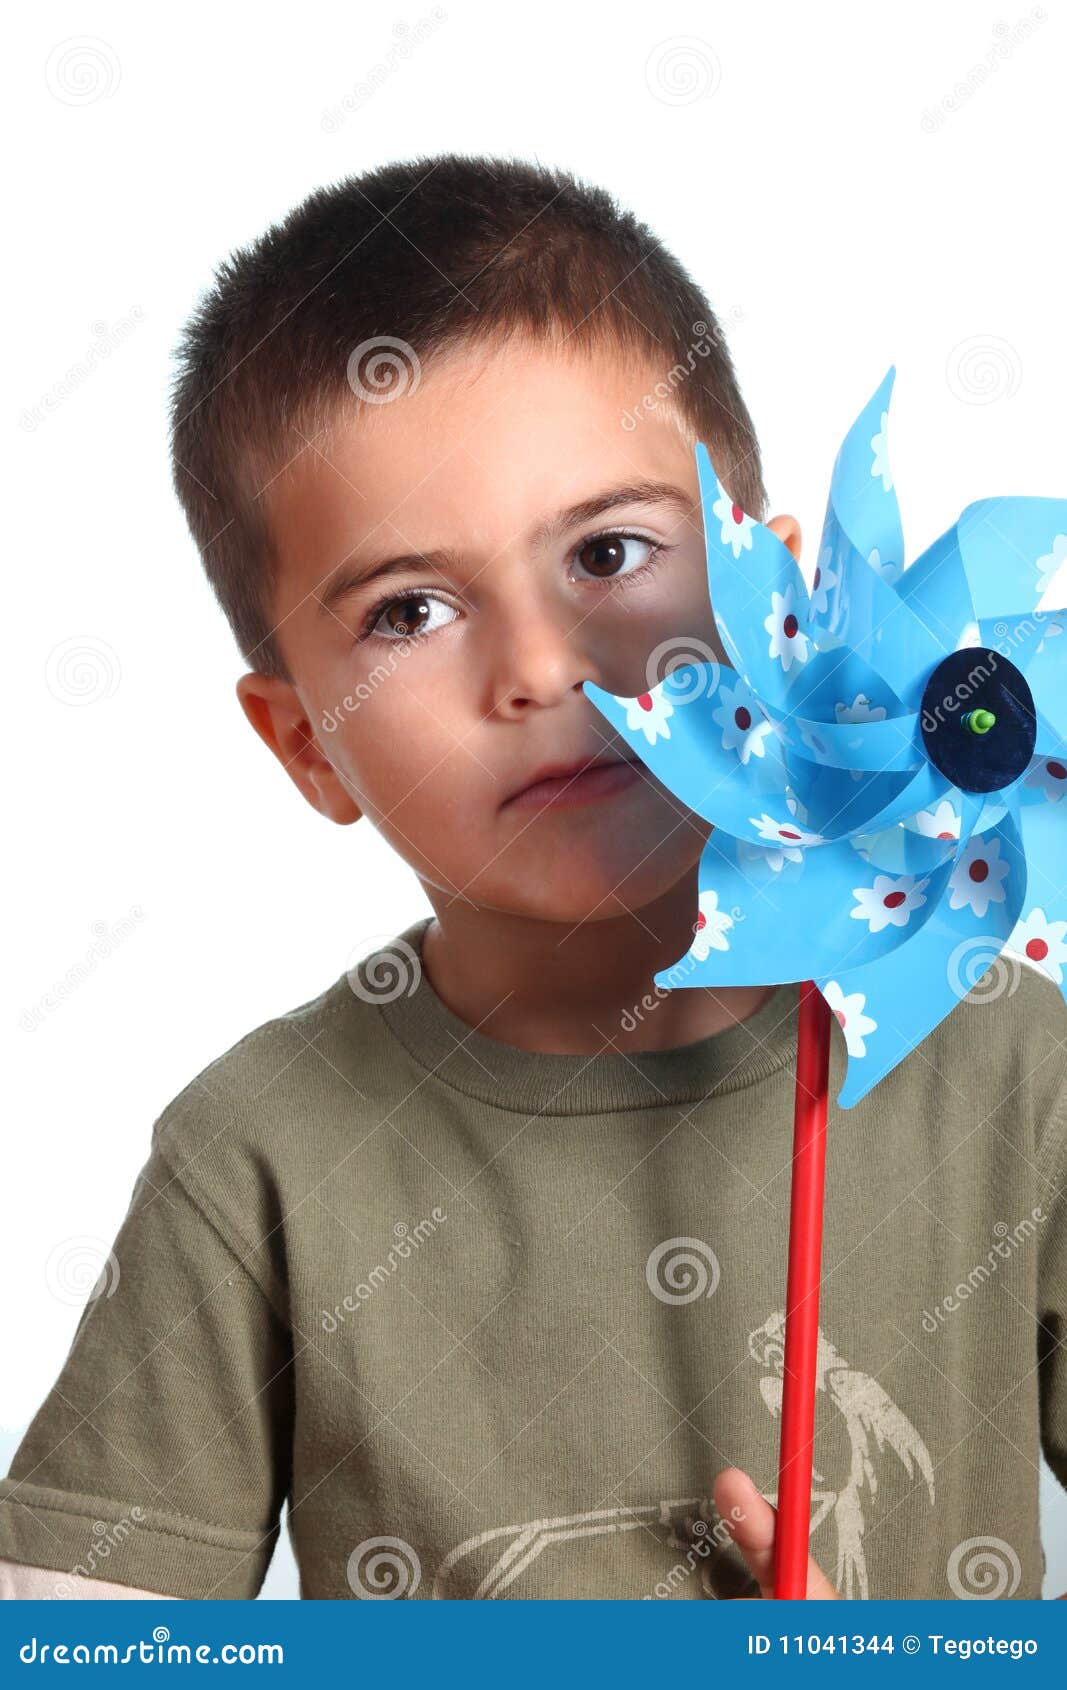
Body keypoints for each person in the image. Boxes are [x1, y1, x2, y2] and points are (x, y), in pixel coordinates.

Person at [1, 155, 1064, 1601]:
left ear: (783, 598)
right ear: (307, 744)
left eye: (609, 550)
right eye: (411, 609)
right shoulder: (256, 1155)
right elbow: (79, 1638)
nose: (542, 668)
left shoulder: (1013, 1073)